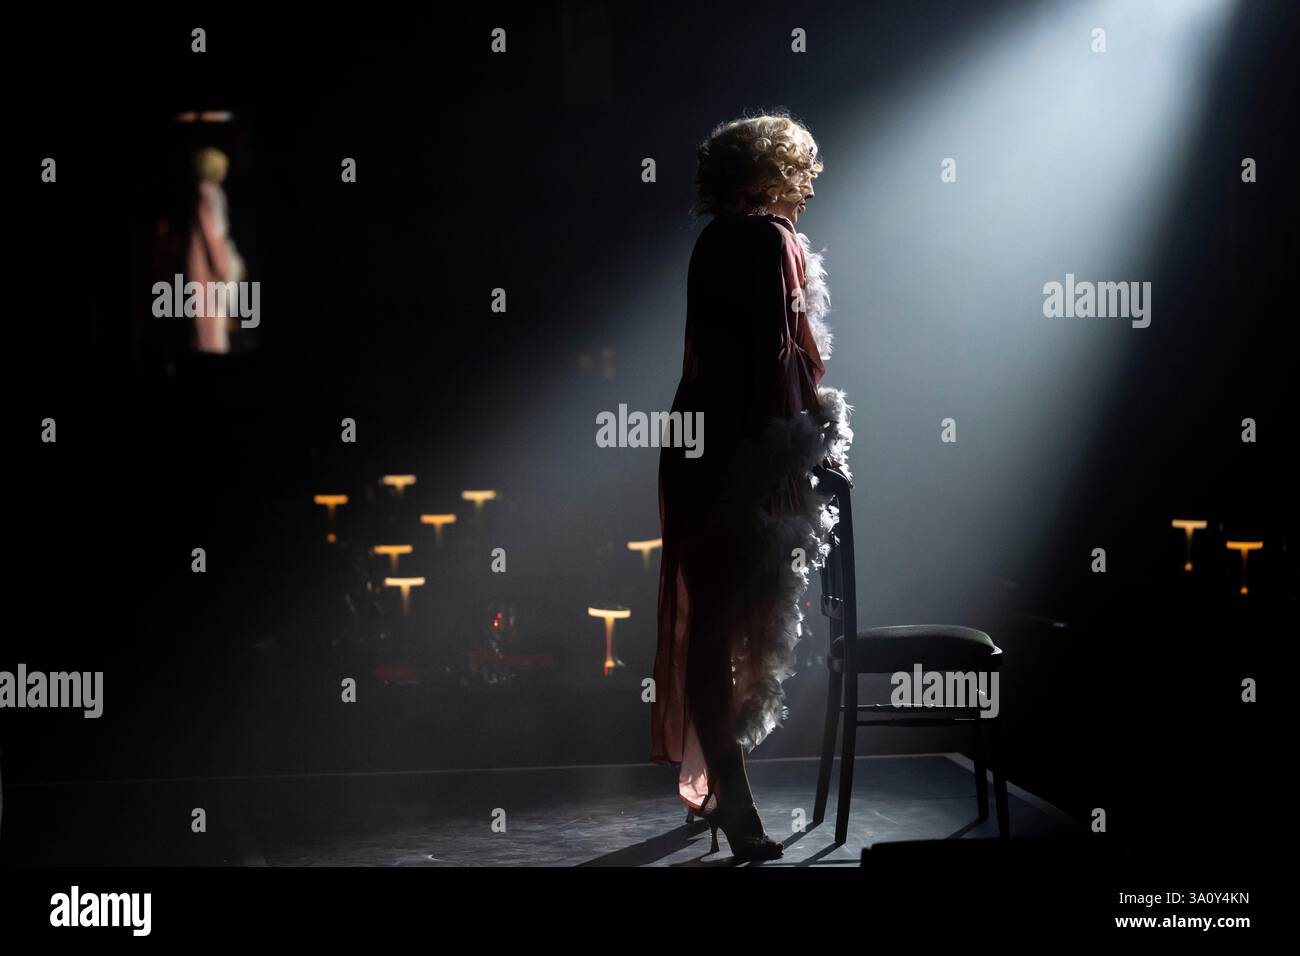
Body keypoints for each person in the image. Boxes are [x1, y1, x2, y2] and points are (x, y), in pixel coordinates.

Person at [651, 112, 852, 861]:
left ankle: (729, 792)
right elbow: (777, 365)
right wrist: (808, 452)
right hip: (743, 448)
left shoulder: (714, 242)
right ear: (773, 176)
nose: (806, 196)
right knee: (732, 619)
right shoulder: (769, 240)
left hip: (705, 441)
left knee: (713, 619)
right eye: (800, 179)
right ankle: (733, 797)